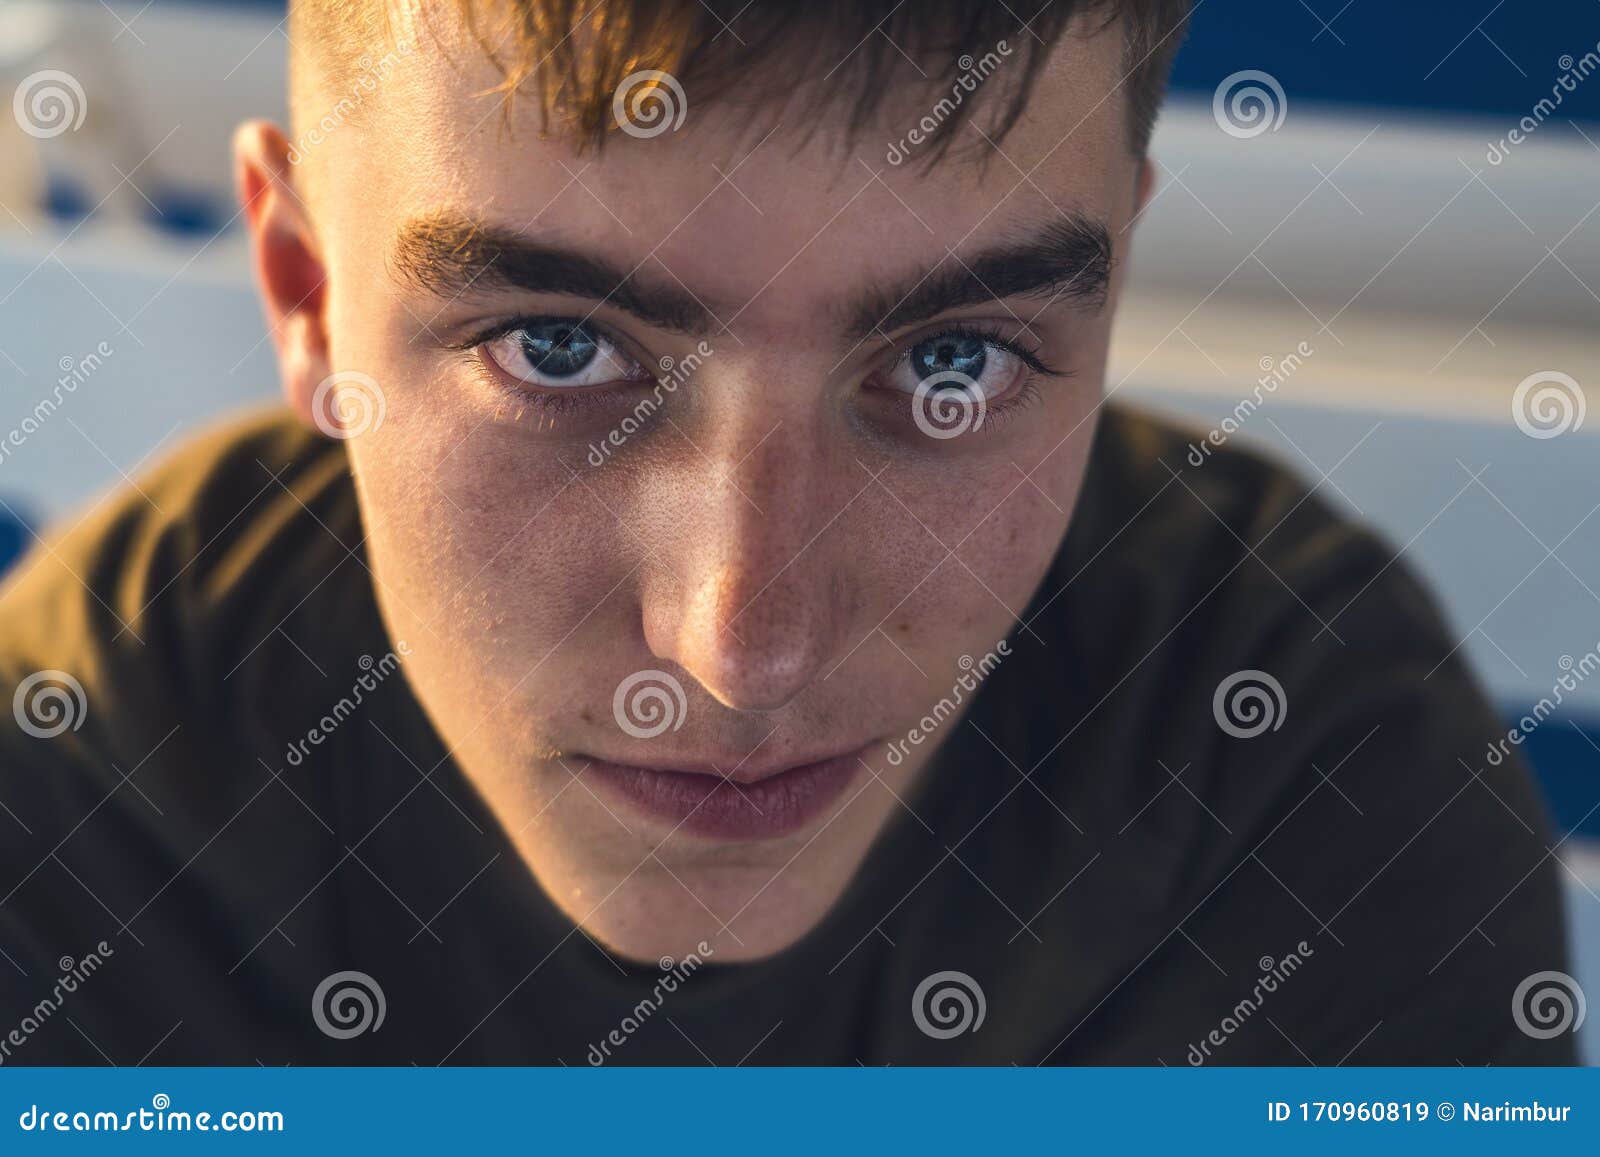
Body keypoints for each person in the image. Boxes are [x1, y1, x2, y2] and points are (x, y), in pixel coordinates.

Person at [0, 0, 1574, 1065]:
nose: (746, 648)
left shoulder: (1311, 775)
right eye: (556, 348)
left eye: (951, 361)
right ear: (302, 288)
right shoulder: (67, 815)